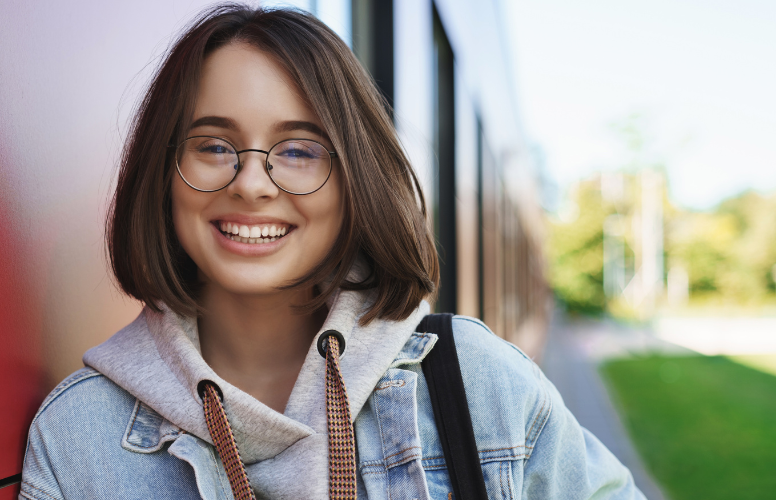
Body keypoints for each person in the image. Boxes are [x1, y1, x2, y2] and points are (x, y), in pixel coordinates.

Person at [19, 5, 645, 500]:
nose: (252, 183)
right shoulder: (79, 435)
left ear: (355, 183)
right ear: (163, 171)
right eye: (212, 145)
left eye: (298, 150)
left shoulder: (478, 384)